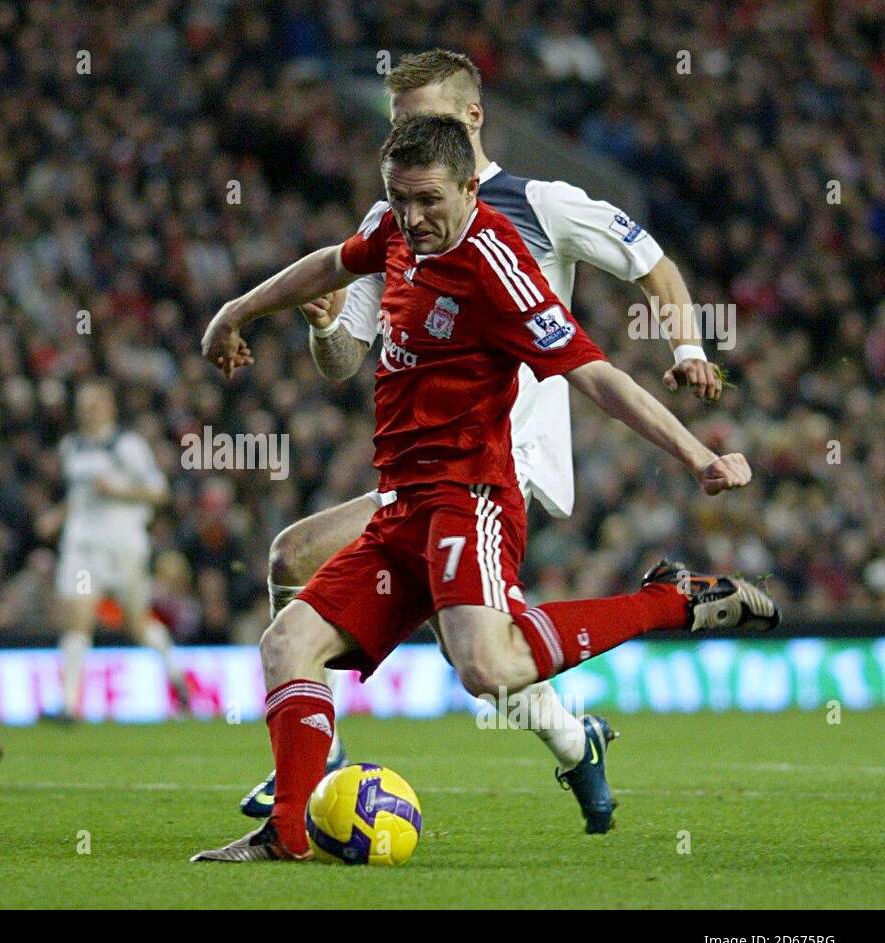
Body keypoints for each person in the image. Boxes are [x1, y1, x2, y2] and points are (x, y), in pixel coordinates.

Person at [192, 114, 778, 862]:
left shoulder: (498, 264)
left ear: (471, 186)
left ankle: (675, 599)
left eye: (429, 200)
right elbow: (331, 264)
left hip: (467, 497)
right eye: (399, 199)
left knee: (486, 667)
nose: (413, 217)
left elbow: (594, 374)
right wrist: (238, 310)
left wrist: (699, 455)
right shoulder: (400, 234)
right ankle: (285, 836)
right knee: (287, 644)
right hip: (398, 506)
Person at [40, 380, 186, 721]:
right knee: (76, 619)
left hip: (123, 547)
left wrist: (118, 491)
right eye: (83, 405)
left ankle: (175, 675)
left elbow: (158, 492)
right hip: (82, 549)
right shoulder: (71, 447)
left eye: (94, 405)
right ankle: (70, 705)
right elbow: (80, 495)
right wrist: (57, 516)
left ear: (109, 407)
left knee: (137, 625)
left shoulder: (127, 445)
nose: (87, 412)